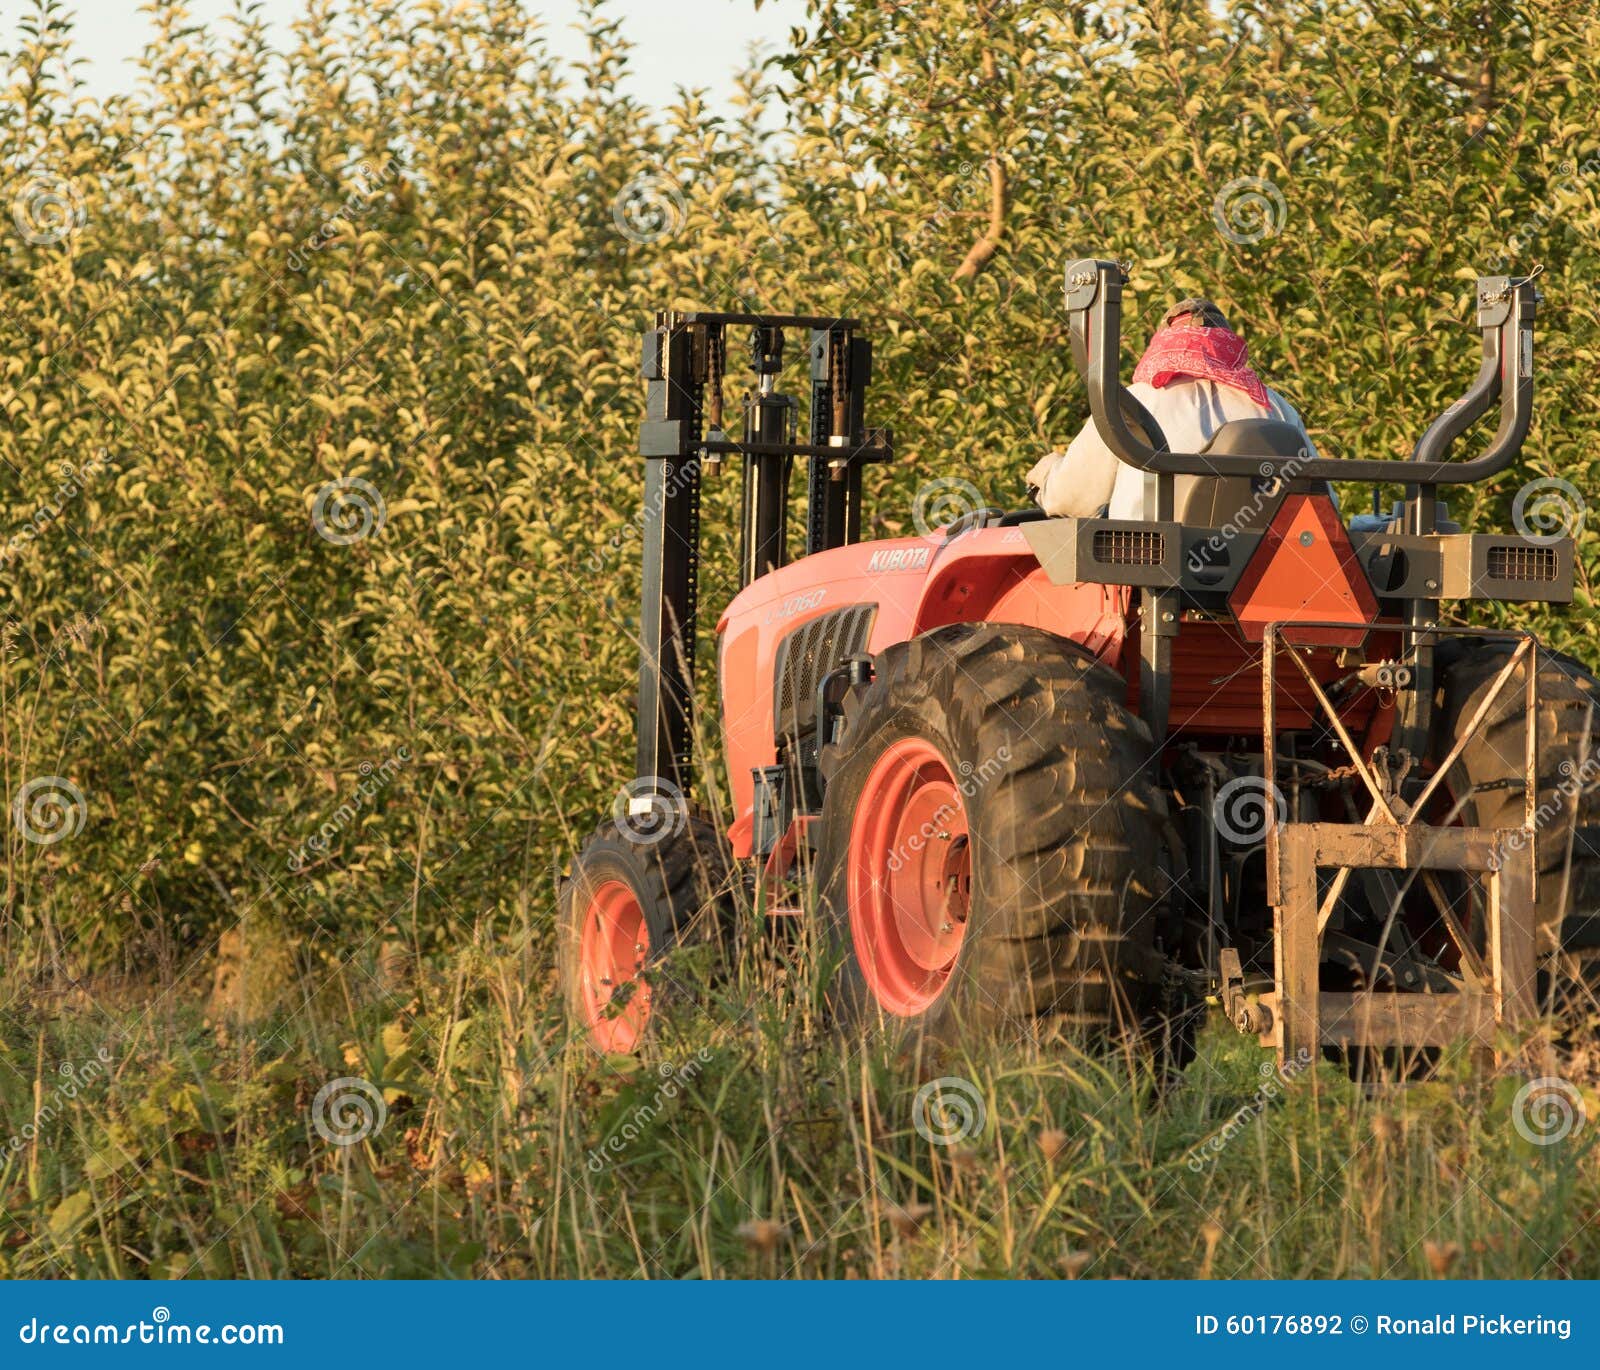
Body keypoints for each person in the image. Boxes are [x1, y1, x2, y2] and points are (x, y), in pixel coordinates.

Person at [1027, 298, 1317, 520]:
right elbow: (1319, 497)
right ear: (1228, 346)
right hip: (1263, 568)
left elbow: (1074, 498)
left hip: (1150, 569)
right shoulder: (1276, 407)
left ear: (1163, 343)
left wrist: (1045, 476)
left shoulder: (1132, 402)